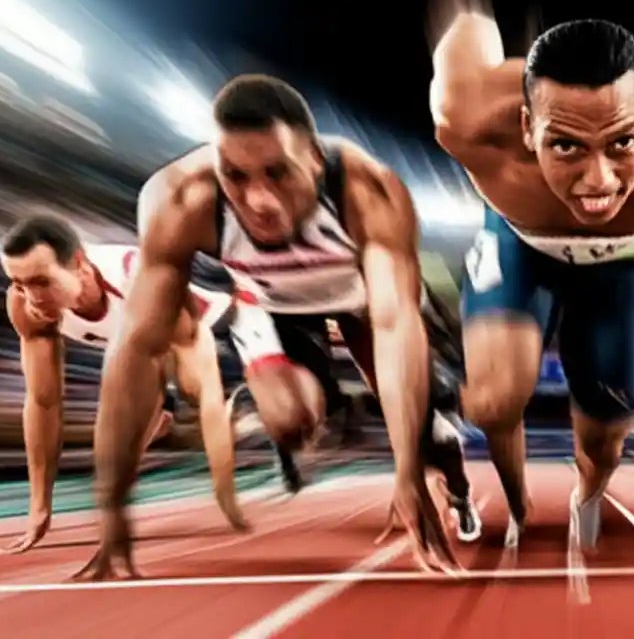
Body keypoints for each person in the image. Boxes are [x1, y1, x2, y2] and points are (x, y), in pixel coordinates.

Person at [73, 74, 459, 580]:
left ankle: (438, 438)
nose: (258, 201)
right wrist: (112, 506)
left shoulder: (369, 190)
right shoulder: (181, 198)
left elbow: (392, 325)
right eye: (236, 176)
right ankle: (324, 401)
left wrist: (406, 472)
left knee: (420, 415)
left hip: (363, 298)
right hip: (275, 301)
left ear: (315, 161)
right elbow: (136, 349)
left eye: (278, 174)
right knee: (289, 422)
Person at [429, 0, 634, 552]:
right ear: (527, 128)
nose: (598, 182)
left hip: (620, 262)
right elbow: (464, 31)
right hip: (519, 241)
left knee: (605, 437)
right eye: (567, 146)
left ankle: (589, 493)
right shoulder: (467, 117)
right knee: (496, 401)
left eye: (623, 143)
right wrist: (468, 9)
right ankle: (516, 499)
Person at [0, 214, 247, 553]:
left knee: (194, 393)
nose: (32, 298)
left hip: (223, 317)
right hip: (146, 340)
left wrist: (224, 485)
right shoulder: (25, 308)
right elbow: (43, 401)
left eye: (42, 282)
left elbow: (199, 386)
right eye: (19, 284)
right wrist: (39, 506)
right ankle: (161, 413)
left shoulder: (140, 280)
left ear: (79, 265)